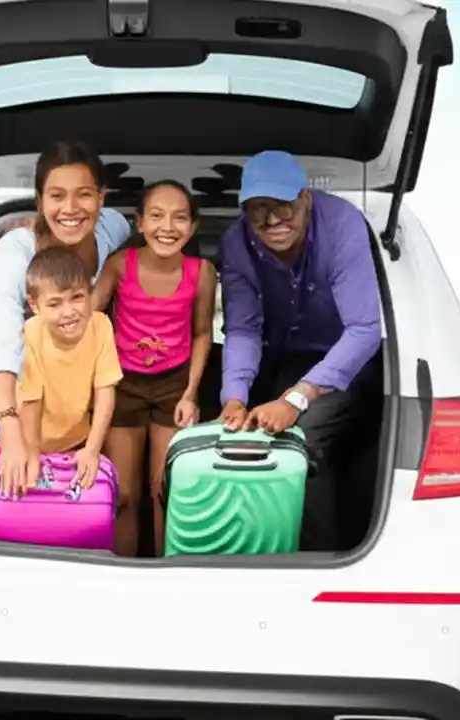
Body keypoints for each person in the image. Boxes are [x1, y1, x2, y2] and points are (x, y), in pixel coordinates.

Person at [217, 150, 383, 552]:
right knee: (241, 439)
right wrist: (233, 398)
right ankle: (242, 549)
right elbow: (242, 329)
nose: (272, 220)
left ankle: (318, 560)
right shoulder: (236, 243)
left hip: (347, 358)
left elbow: (365, 330)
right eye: (258, 210)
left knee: (296, 442)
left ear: (306, 198)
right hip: (283, 359)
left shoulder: (343, 225)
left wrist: (295, 398)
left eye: (284, 206)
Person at [0, 141, 133, 496]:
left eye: (83, 195)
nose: (70, 208)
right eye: (56, 196)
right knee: (0, 489)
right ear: (39, 202)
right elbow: (1, 347)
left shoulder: (113, 229)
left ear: (102, 197)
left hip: (57, 378)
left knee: (53, 494)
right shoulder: (14, 254)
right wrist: (10, 428)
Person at [90, 180, 217, 557]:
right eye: (157, 216)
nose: (168, 227)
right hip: (121, 383)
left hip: (174, 385)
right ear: (140, 223)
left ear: (192, 228)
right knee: (123, 493)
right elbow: (89, 317)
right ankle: (123, 569)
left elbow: (202, 333)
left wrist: (192, 393)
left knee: (164, 490)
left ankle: (166, 569)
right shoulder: (120, 265)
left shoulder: (202, 271)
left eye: (180, 218)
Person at [11, 246, 123, 496]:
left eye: (77, 297)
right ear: (35, 305)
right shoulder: (30, 334)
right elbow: (30, 402)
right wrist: (31, 453)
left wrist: (93, 449)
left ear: (90, 292)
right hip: (33, 443)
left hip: (79, 443)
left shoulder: (100, 326)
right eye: (54, 304)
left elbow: (105, 392)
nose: (69, 311)